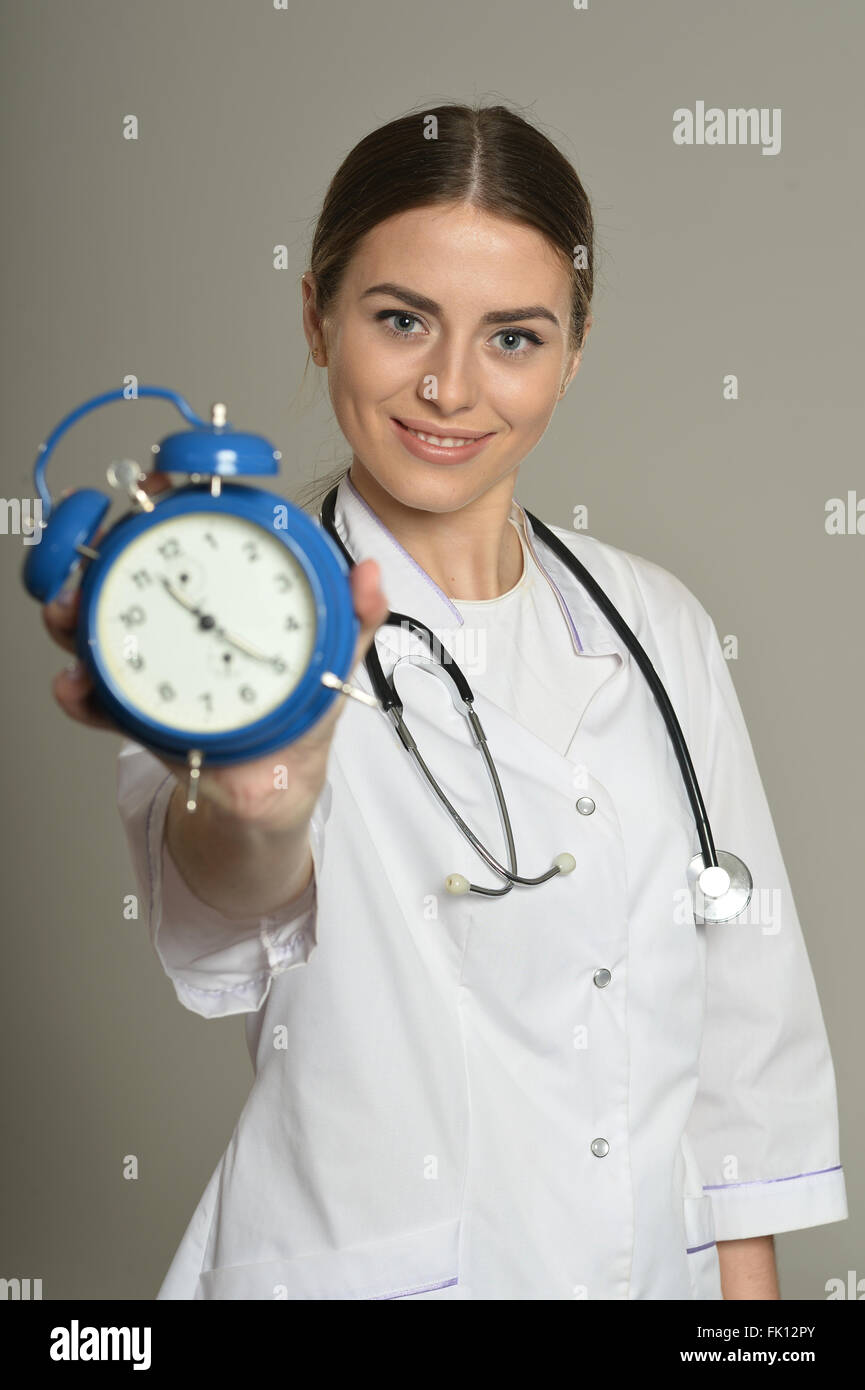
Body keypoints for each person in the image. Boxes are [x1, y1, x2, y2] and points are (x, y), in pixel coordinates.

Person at [42, 102, 847, 1301]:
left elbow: (745, 1052)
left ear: (573, 352)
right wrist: (262, 803)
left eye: (513, 337)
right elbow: (223, 901)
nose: (449, 386)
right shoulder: (236, 612)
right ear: (316, 317)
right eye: (401, 318)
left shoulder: (660, 625)